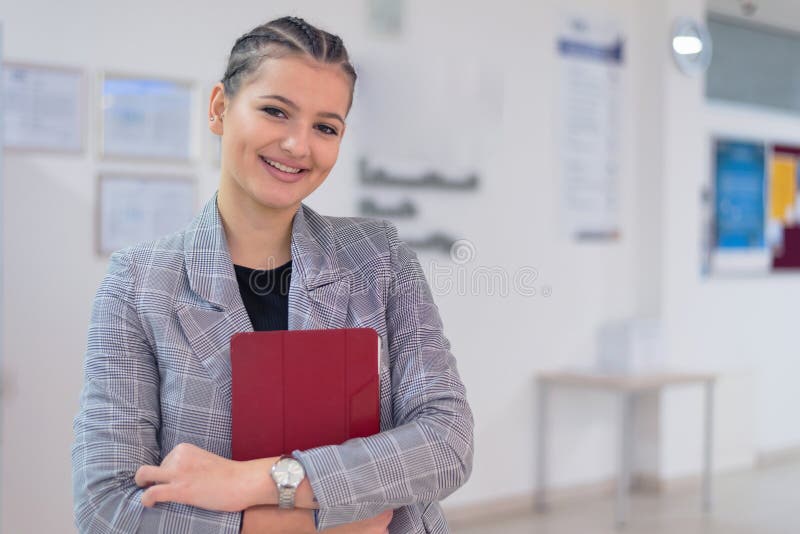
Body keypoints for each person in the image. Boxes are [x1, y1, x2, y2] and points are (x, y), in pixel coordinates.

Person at [72, 15, 473, 534]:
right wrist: (318, 524)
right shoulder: (139, 284)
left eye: (325, 127)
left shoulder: (378, 257)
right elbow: (105, 507)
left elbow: (447, 441)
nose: (297, 145)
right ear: (220, 108)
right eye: (275, 111)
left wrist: (260, 481)